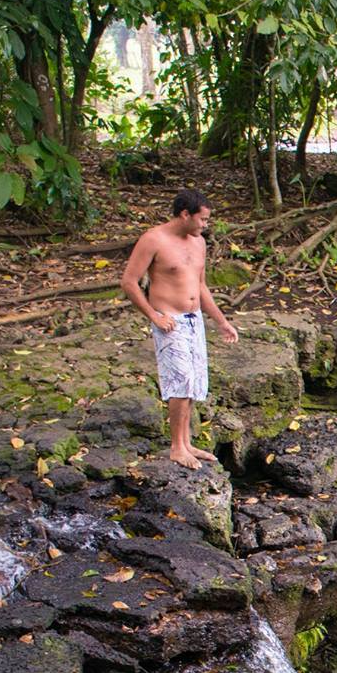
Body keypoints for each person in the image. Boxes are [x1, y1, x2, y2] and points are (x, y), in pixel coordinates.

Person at [121, 188, 239, 470]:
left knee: (193, 382)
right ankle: (176, 447)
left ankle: (186, 443)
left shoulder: (198, 243)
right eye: (203, 219)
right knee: (180, 380)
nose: (205, 226)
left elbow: (200, 285)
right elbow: (129, 281)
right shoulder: (154, 239)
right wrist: (154, 315)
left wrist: (221, 321)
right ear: (185, 214)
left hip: (193, 318)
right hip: (169, 318)